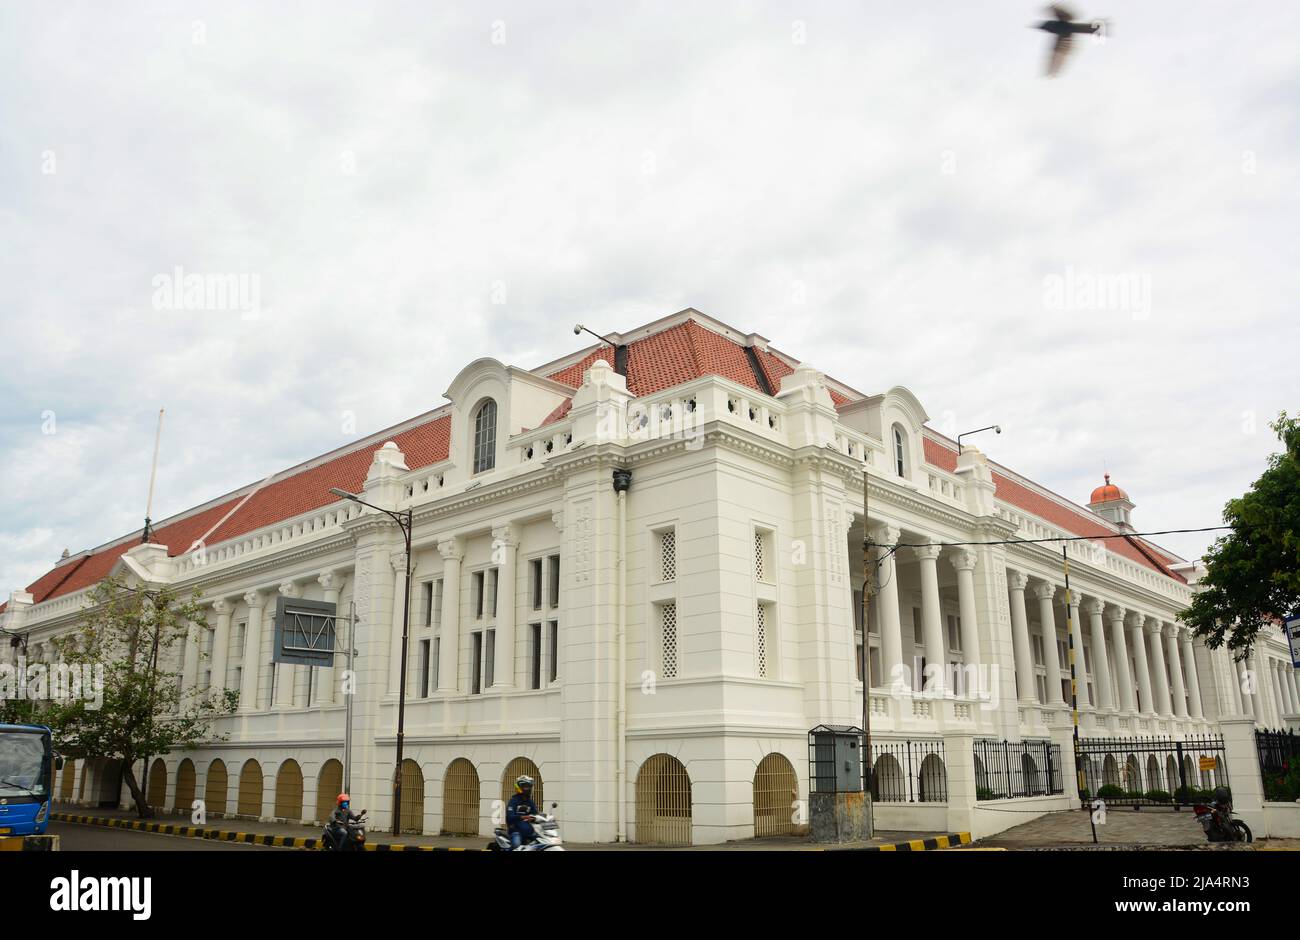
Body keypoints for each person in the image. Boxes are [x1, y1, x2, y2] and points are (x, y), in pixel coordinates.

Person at [505, 775, 538, 850]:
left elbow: (535, 814)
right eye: (526, 786)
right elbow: (510, 816)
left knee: (541, 842)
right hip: (516, 831)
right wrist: (523, 817)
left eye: (529, 786)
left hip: (529, 831)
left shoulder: (529, 801)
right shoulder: (514, 801)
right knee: (516, 845)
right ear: (519, 787)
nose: (528, 789)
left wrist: (544, 818)